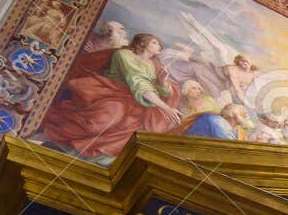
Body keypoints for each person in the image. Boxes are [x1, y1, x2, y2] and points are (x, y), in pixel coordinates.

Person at [38, 33, 182, 161]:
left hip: (136, 102)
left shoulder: (154, 64)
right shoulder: (125, 55)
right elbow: (138, 82)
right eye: (155, 42)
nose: (160, 45)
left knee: (134, 127)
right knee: (105, 119)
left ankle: (91, 155)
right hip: (110, 92)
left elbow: (161, 91)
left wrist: (163, 83)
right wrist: (166, 108)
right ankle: (58, 135)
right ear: (143, 44)